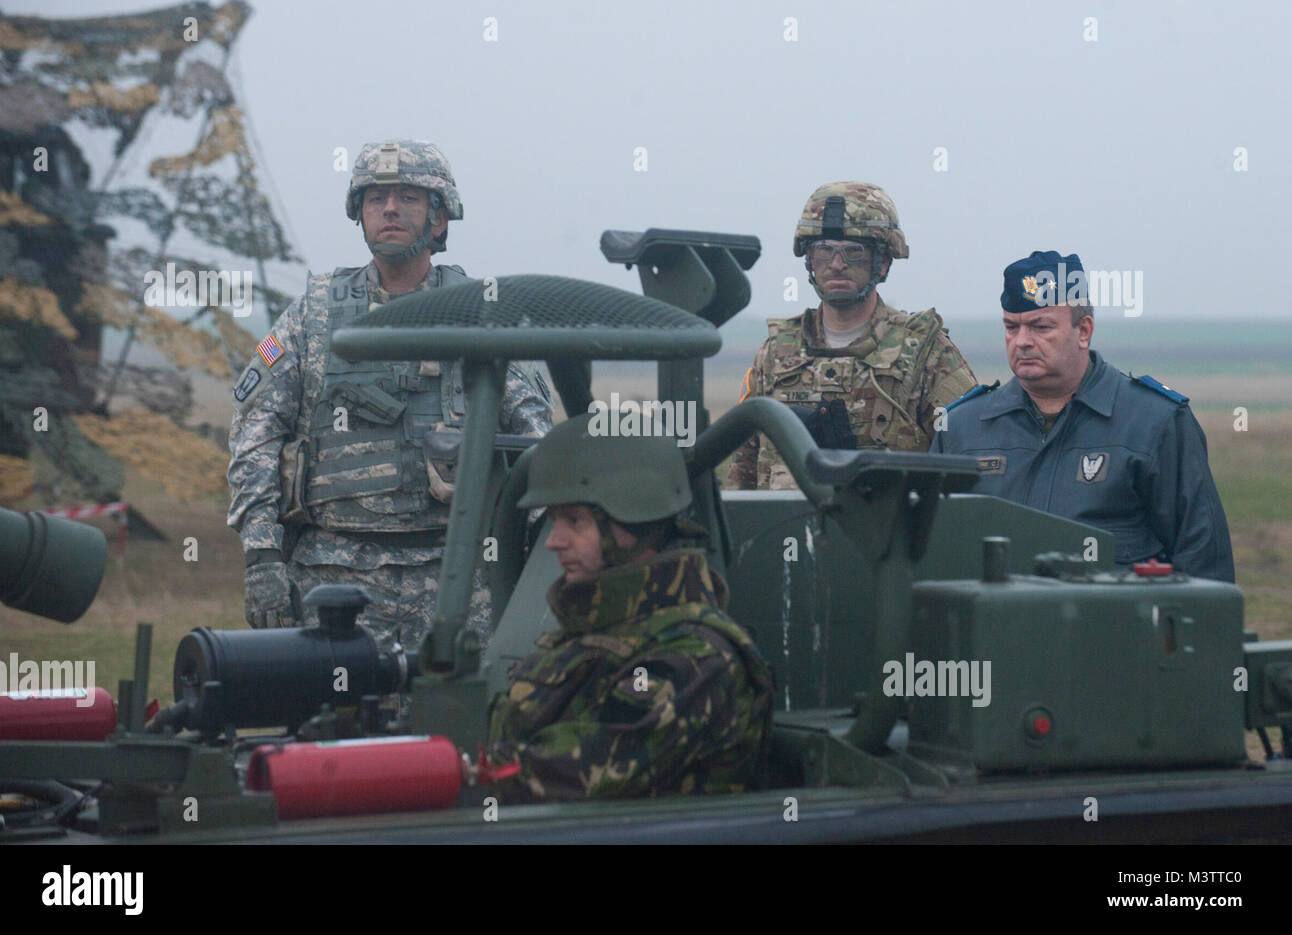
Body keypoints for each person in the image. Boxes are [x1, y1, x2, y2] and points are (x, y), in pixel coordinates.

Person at [228, 140, 553, 648]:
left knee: (459, 721)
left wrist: (541, 562)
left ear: (439, 219)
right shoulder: (311, 316)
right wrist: (262, 558)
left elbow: (537, 451)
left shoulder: (481, 315)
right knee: (334, 721)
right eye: (376, 198)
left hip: (459, 577)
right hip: (332, 580)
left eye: (409, 197)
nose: (390, 209)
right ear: (359, 213)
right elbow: (255, 436)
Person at [486, 414, 774, 802]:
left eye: (575, 521)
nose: (554, 541)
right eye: (555, 521)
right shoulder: (605, 628)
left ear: (632, 525)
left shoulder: (694, 658)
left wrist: (451, 768)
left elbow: (571, 773)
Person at [931, 250, 1234, 582]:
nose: (1022, 342)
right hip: (993, 630)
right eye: (1011, 327)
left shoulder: (1155, 423)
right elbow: (931, 558)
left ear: (1084, 331)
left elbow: (1205, 570)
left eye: (1040, 326)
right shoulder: (961, 428)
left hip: (1111, 630)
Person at [728, 181, 977, 489]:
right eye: (824, 251)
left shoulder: (927, 353)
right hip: (785, 531)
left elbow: (968, 460)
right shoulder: (776, 353)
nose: (837, 265)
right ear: (809, 260)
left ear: (883, 262)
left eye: (854, 252)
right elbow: (743, 471)